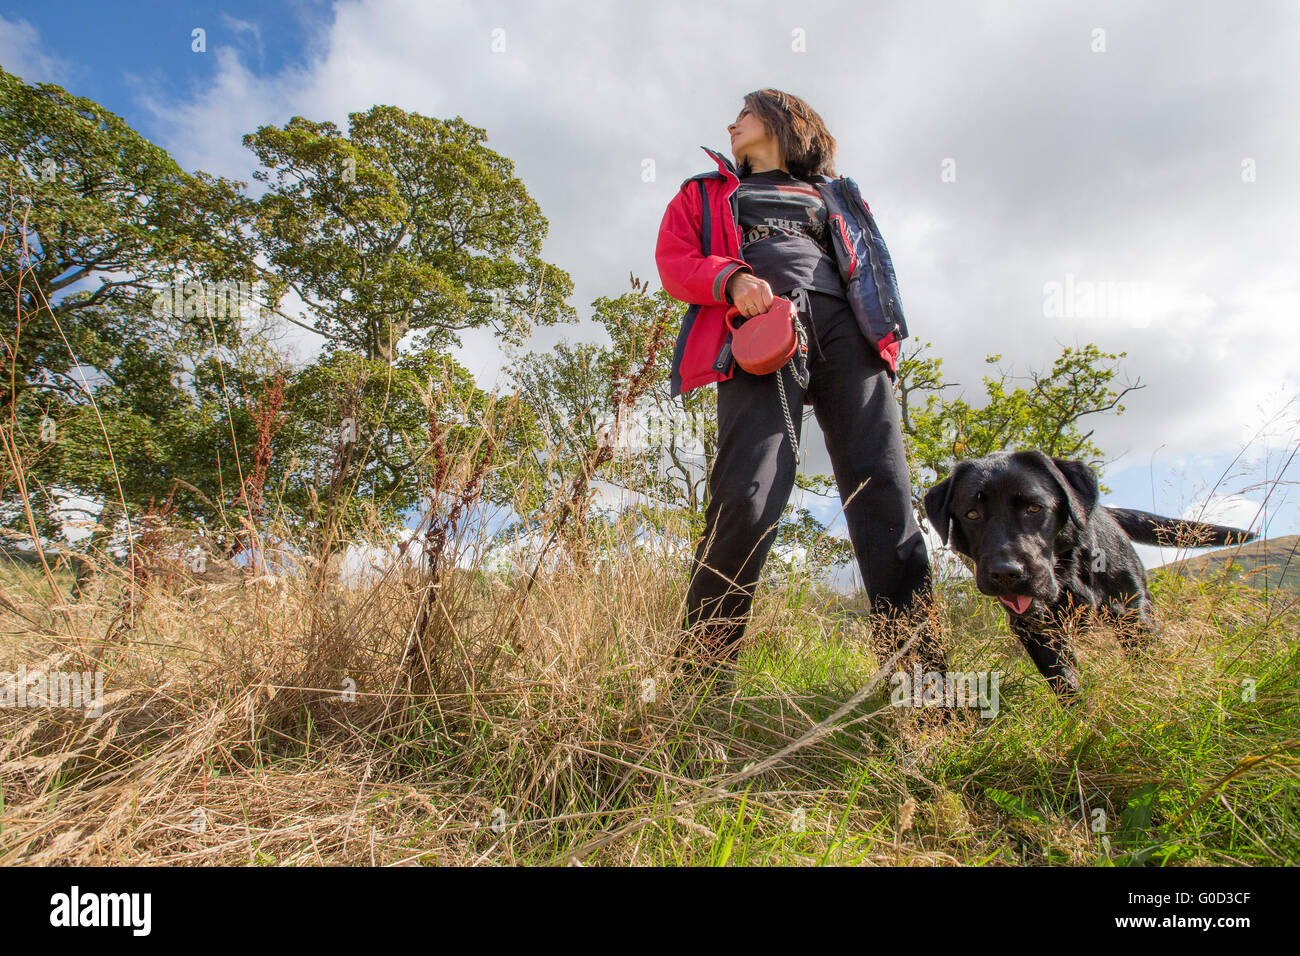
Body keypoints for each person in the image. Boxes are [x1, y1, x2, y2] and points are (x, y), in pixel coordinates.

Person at [654, 89, 945, 677]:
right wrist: (732, 279)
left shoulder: (836, 194)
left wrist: (880, 336)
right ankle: (696, 684)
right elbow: (674, 259)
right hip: (759, 330)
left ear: (782, 121)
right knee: (746, 494)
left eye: (745, 113)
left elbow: (870, 268)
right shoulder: (703, 192)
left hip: (847, 330)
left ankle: (927, 695)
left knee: (883, 495)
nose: (731, 123)